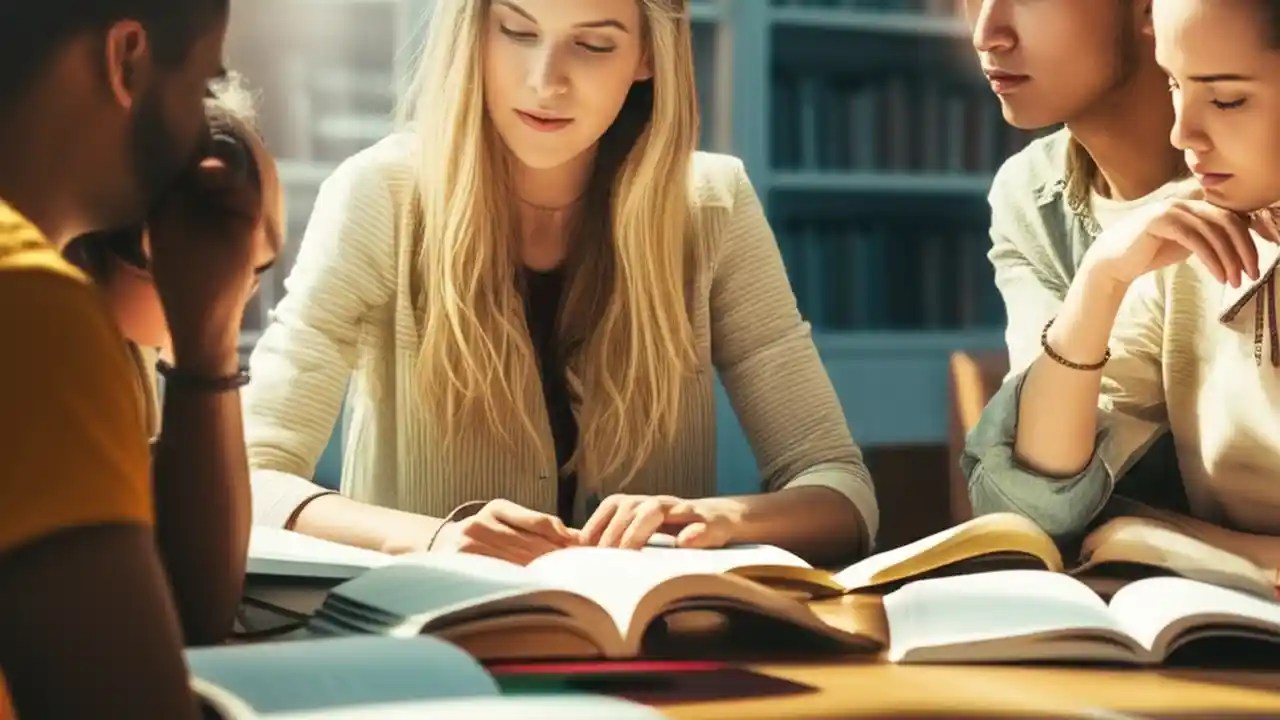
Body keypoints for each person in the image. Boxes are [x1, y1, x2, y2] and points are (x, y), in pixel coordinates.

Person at [244, 0, 877, 566]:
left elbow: (841, 491)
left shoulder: (714, 207)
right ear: (475, 33)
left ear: (647, 55)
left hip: (657, 659)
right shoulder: (380, 195)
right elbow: (248, 475)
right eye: (517, 31)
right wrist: (431, 539)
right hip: (441, 659)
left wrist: (722, 518)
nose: (545, 81)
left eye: (594, 44)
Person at [0, 0, 263, 716]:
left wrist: (204, 333)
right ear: (129, 60)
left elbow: (171, 617)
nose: (200, 131)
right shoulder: (27, 305)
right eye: (204, 84)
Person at [964, 0, 1280, 569]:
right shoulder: (1183, 239)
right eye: (1174, 86)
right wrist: (1101, 278)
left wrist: (1200, 543)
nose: (1183, 134)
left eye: (1227, 98)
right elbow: (1038, 503)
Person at [961, 0, 1188, 512]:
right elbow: (1031, 495)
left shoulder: (1254, 187)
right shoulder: (1031, 196)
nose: (986, 33)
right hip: (1121, 582)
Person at [66, 76, 285, 442]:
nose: (241, 291)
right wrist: (205, 362)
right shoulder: (52, 362)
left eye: (258, 268)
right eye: (229, 260)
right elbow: (197, 501)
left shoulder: (132, 360)